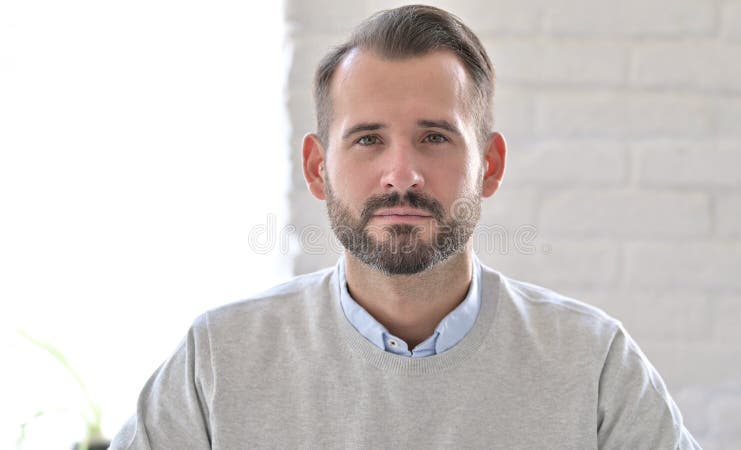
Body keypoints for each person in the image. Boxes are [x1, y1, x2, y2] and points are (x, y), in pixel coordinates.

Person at [109, 4, 701, 449]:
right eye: (368, 140)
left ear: (489, 166)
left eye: (434, 137)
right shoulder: (218, 360)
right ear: (318, 169)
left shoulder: (593, 364)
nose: (402, 175)